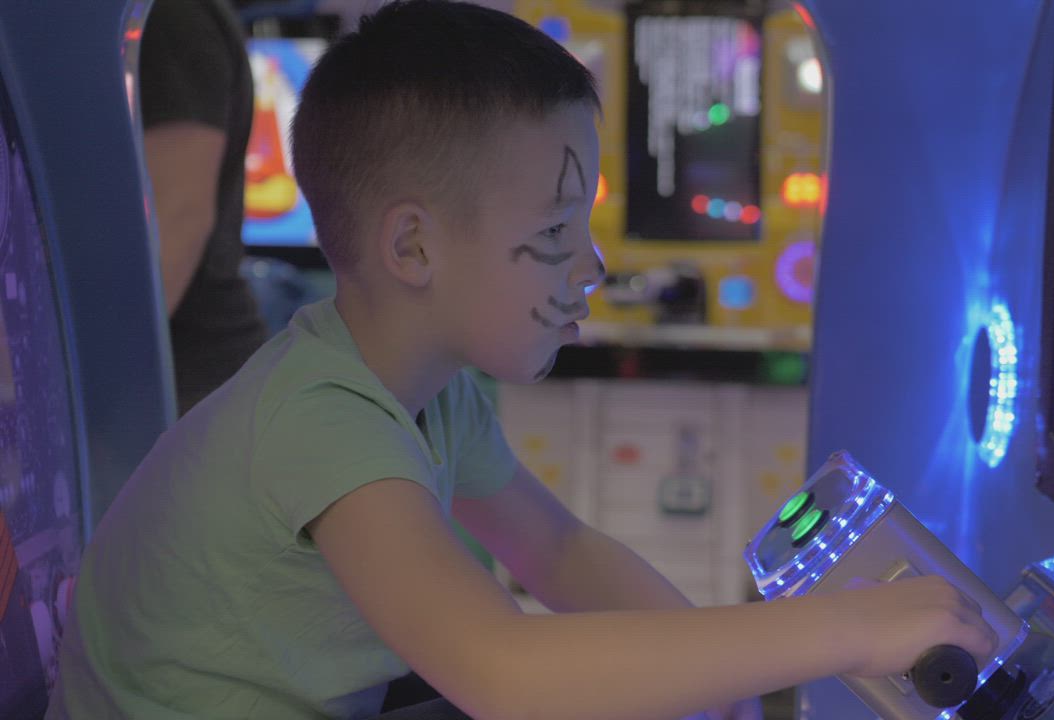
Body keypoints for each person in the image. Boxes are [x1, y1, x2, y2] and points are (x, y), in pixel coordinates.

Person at [47, 2, 998, 718]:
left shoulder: (434, 394)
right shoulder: (321, 421)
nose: (592, 264)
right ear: (413, 249)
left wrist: (729, 690)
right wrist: (842, 630)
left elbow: (560, 551)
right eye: (553, 230)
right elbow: (500, 669)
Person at [140, 0, 268, 415]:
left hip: (180, 390)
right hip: (175, 387)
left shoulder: (170, 16)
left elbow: (176, 221)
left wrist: (56, 377)